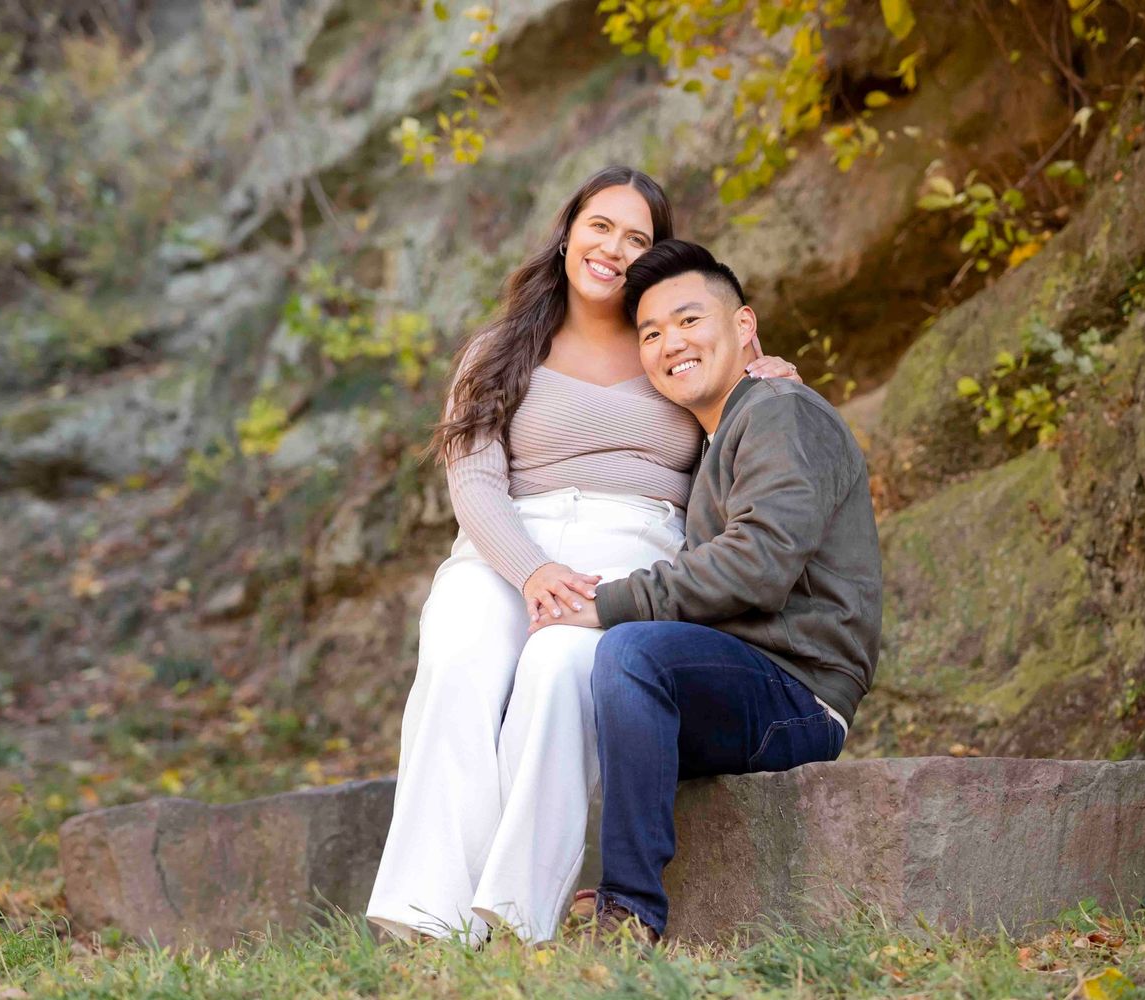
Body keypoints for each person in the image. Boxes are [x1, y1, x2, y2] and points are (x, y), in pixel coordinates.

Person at [364, 168, 802, 947]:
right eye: (601, 226)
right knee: (460, 657)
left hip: (631, 544)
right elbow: (473, 479)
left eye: (637, 239)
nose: (613, 249)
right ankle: (428, 921)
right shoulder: (500, 349)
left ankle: (515, 921)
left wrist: (762, 375)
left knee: (559, 667)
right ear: (569, 231)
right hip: (507, 546)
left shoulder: (668, 348)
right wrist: (530, 569)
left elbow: (735, 431)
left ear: (653, 258)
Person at [532, 239, 882, 945]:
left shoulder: (779, 410)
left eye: (690, 320)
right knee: (578, 679)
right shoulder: (723, 434)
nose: (671, 344)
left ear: (744, 325)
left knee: (631, 653)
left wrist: (607, 603)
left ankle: (630, 913)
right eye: (651, 334)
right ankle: (508, 905)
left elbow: (759, 564)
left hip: (798, 692)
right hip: (745, 678)